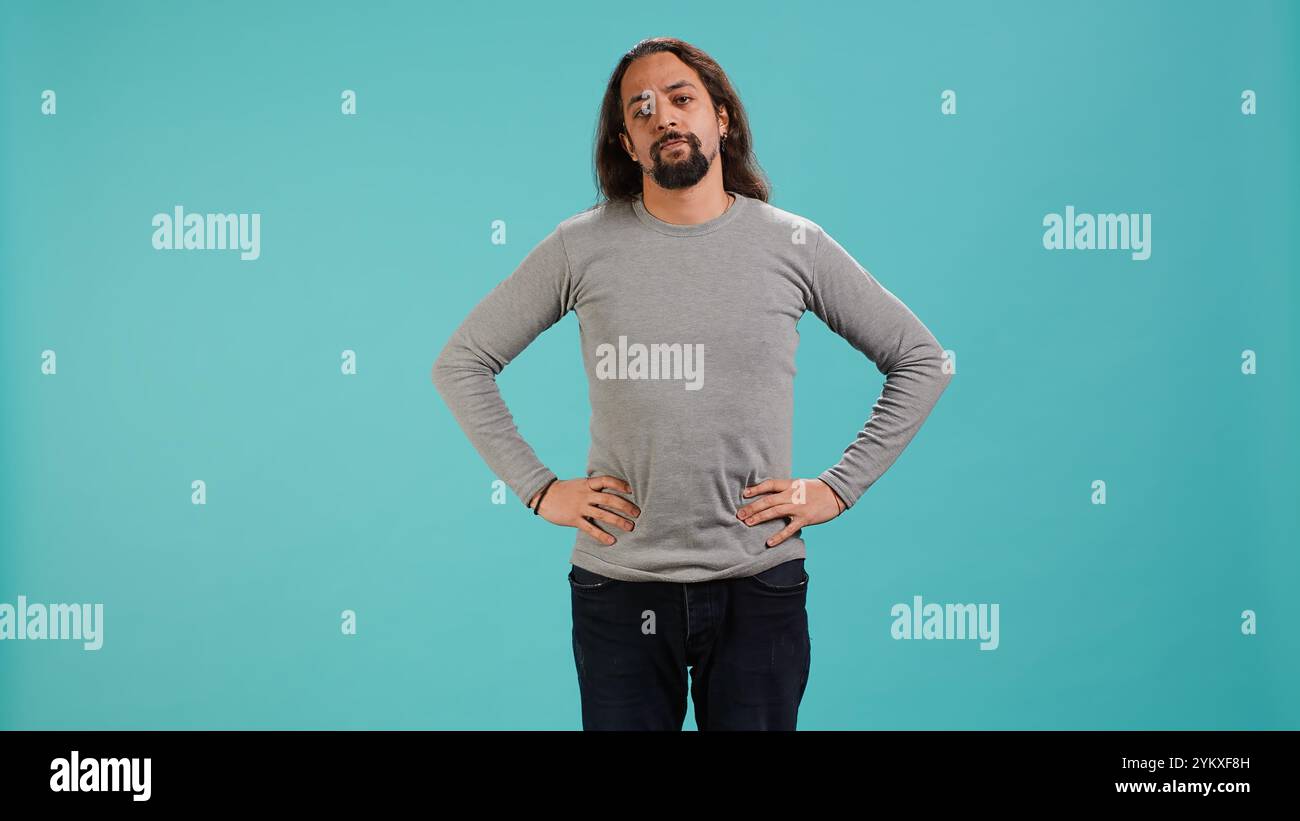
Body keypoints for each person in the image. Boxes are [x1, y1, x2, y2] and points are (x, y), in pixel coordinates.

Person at [432, 37, 954, 730]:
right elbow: (461, 361)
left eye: (682, 99)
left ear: (722, 118)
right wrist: (538, 489)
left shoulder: (792, 244)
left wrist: (838, 486)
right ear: (626, 140)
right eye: (642, 109)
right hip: (618, 588)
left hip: (757, 584)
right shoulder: (579, 246)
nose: (665, 117)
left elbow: (921, 358)